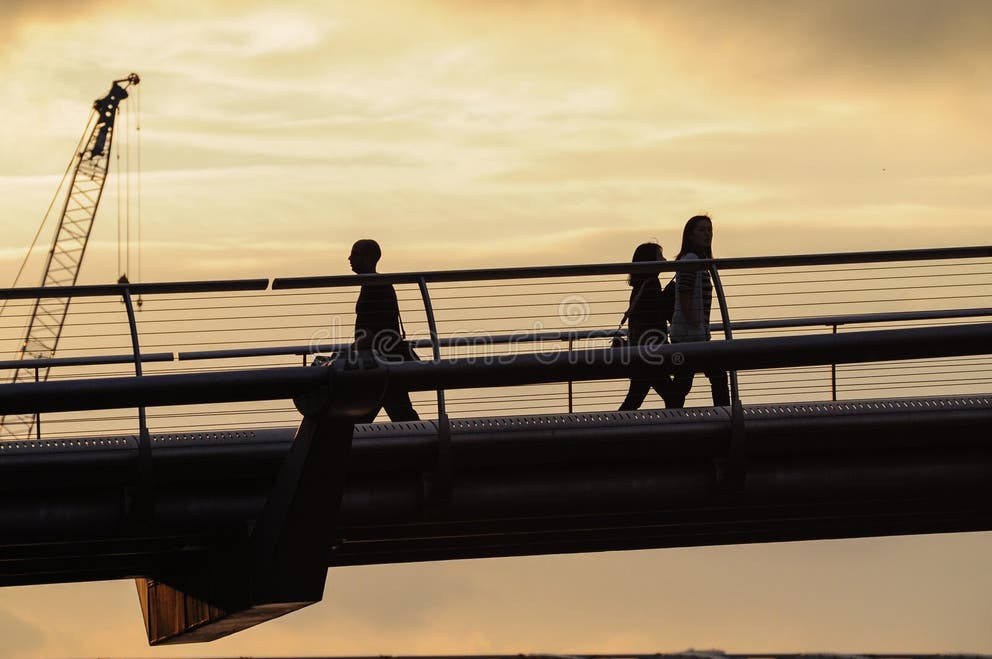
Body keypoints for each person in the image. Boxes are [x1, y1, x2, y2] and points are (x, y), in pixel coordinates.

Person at [348, 239, 420, 423]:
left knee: (365, 414)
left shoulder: (374, 286)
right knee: (399, 410)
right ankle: (426, 442)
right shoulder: (379, 284)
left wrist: (349, 352)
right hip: (385, 361)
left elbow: (372, 331)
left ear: (367, 258)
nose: (349, 258)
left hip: (379, 363)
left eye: (355, 254)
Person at [668, 215, 730, 407]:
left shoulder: (700, 260)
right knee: (716, 375)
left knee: (683, 382)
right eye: (702, 230)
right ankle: (725, 413)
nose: (708, 234)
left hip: (694, 334)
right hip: (690, 336)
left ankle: (671, 418)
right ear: (690, 235)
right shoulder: (691, 260)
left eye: (710, 230)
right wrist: (695, 323)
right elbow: (685, 293)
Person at [618, 242, 675, 411]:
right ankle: (676, 431)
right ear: (651, 261)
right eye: (660, 256)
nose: (664, 260)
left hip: (641, 351)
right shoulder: (652, 284)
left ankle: (612, 430)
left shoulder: (640, 286)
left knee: (635, 398)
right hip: (651, 353)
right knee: (673, 395)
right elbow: (659, 312)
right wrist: (671, 293)